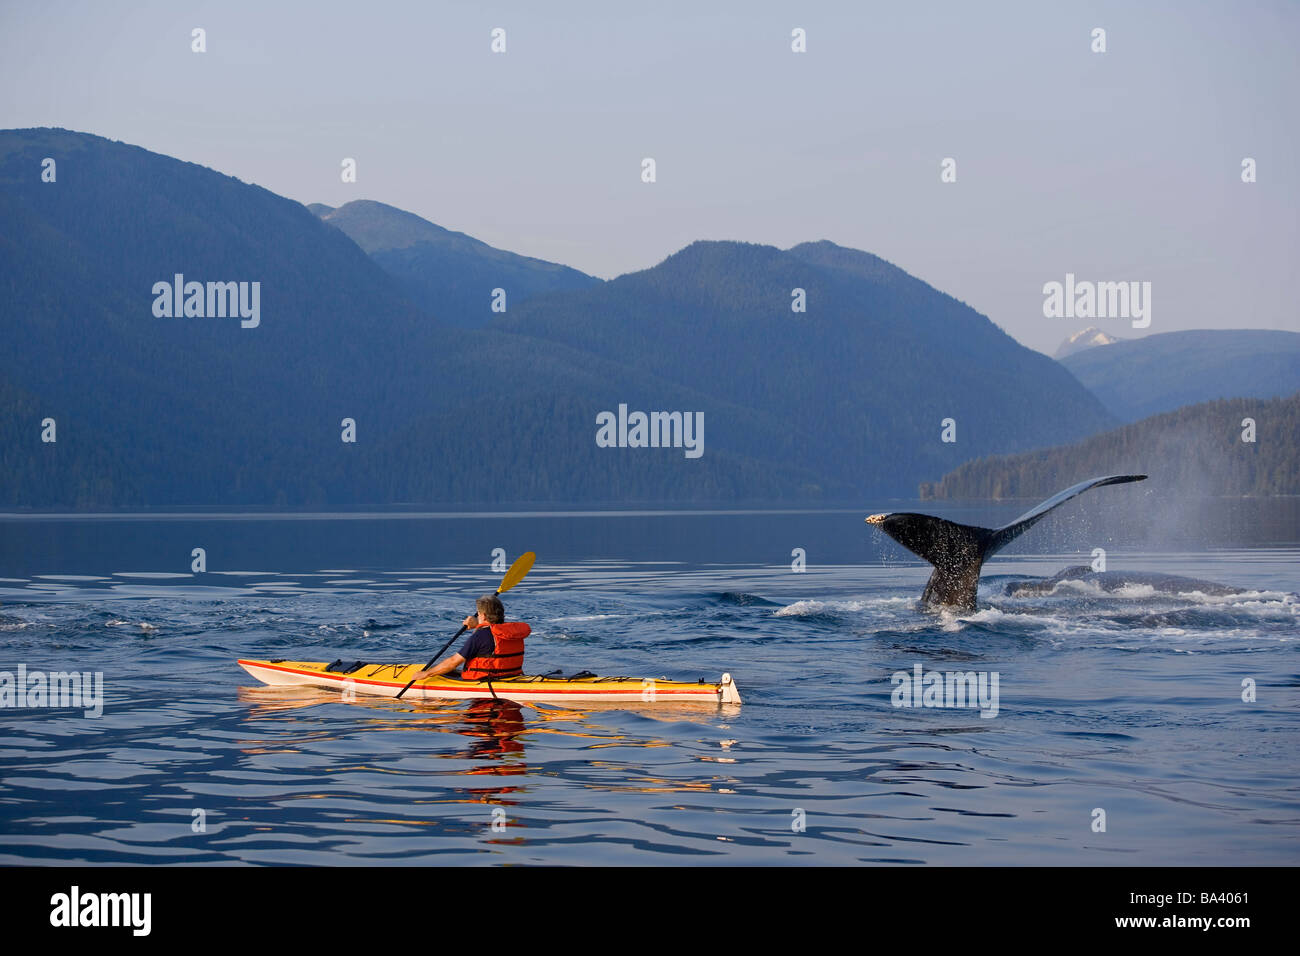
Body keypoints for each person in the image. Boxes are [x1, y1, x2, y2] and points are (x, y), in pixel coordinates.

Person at [413, 595, 530, 681]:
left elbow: (453, 662)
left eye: (478, 613)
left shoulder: (480, 635)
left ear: (482, 615)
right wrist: (477, 625)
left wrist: (426, 674)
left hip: (485, 680)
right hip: (513, 677)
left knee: (439, 672)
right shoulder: (510, 632)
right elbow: (489, 638)